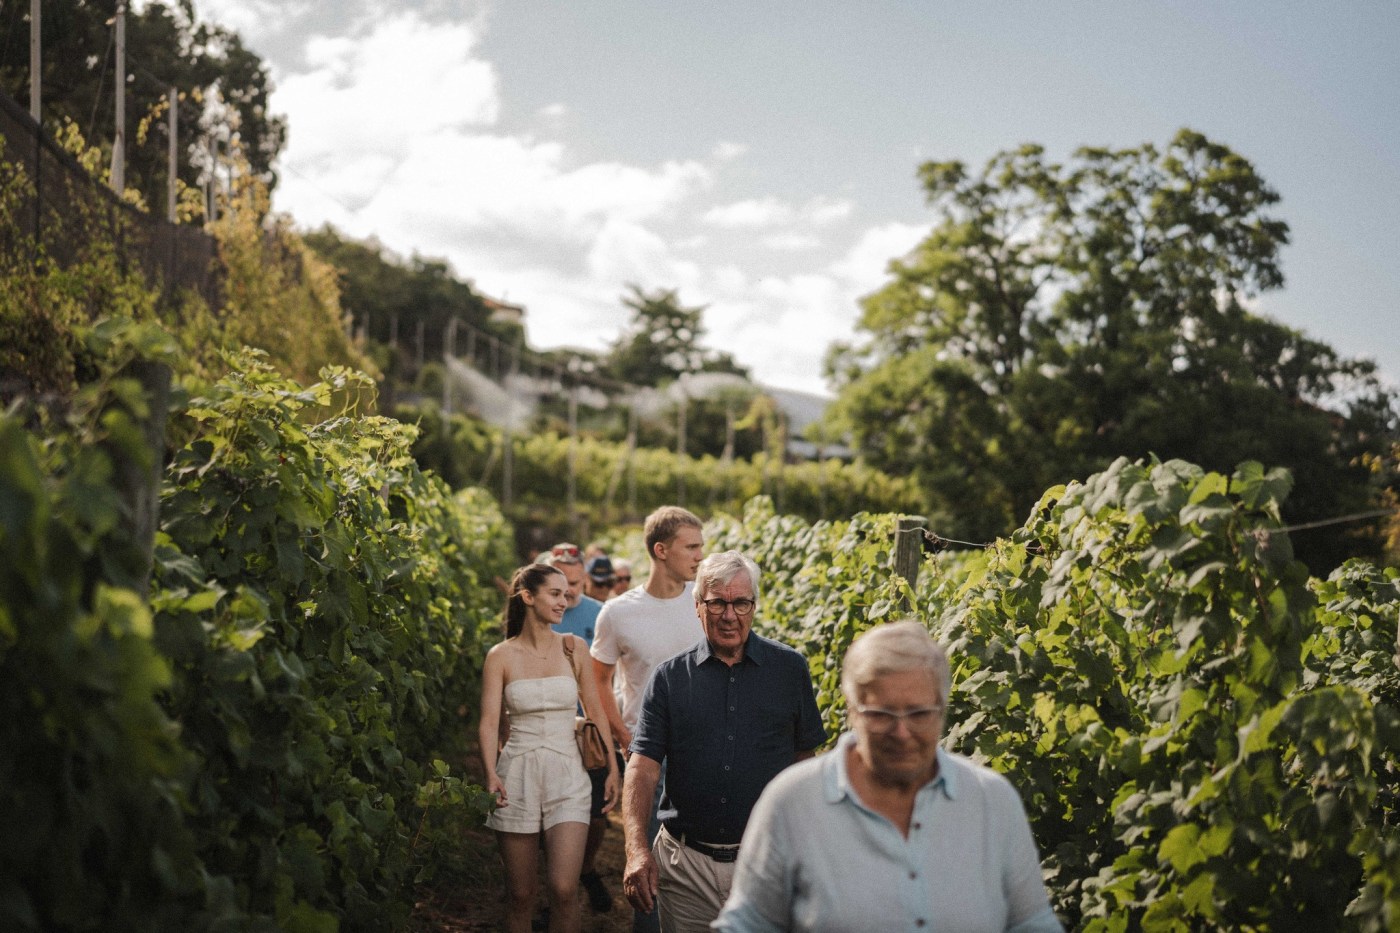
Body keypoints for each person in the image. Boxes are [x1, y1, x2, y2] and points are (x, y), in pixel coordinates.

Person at [712, 621, 1062, 933]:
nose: (902, 732)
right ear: (852, 711)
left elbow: (1031, 922)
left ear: (942, 710)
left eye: (919, 713)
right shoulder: (793, 802)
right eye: (881, 714)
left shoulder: (992, 801)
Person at [622, 550, 826, 933]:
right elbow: (643, 767)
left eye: (741, 603)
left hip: (764, 864)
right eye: (717, 602)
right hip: (686, 866)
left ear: (754, 606)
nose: (729, 615)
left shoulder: (789, 670)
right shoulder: (669, 679)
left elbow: (804, 760)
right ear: (698, 606)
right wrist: (635, 850)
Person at [479, 564, 621, 933]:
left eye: (567, 592)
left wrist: (612, 767)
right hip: (518, 774)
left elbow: (595, 711)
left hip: (568, 774)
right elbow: (489, 722)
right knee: (521, 894)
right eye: (555, 594)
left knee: (562, 888)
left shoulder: (574, 647)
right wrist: (491, 772)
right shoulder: (500, 656)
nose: (565, 600)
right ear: (528, 597)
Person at [591, 505, 708, 933]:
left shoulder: (705, 607)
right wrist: (622, 733)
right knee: (647, 862)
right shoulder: (619, 612)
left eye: (701, 546)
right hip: (647, 753)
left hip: (701, 750)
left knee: (702, 859)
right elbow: (599, 679)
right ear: (661, 550)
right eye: (691, 547)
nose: (699, 556)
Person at [539, 542, 614, 913]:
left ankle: (585, 869)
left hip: (591, 732)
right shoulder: (538, 613)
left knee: (597, 814)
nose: (568, 589)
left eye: (574, 580)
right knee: (547, 814)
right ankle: (552, 891)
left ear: (584, 576)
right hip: (548, 727)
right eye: (560, 581)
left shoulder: (601, 614)